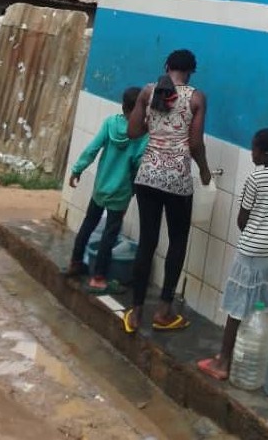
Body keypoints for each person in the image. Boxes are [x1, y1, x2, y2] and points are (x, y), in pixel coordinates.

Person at [197, 128, 268, 380]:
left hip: (250, 251)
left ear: (266, 154)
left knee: (237, 307)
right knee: (260, 306)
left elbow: (242, 220)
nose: (252, 153)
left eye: (255, 149)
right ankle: (251, 358)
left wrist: (264, 211)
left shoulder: (255, 178)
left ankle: (223, 362)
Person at [123, 49, 211, 333]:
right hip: (177, 180)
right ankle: (163, 311)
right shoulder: (197, 98)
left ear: (166, 66)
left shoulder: (149, 92)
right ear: (191, 71)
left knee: (147, 242)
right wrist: (205, 170)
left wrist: (154, 123)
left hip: (148, 175)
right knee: (177, 241)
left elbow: (133, 132)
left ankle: (136, 312)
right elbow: (195, 144)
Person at [64, 86, 148, 294]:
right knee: (110, 235)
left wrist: (77, 169)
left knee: (88, 224)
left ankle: (75, 262)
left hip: (100, 187)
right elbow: (138, 165)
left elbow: (92, 149)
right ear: (141, 109)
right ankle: (99, 277)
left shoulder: (110, 123)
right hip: (120, 192)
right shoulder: (142, 135)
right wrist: (135, 189)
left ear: (122, 105)